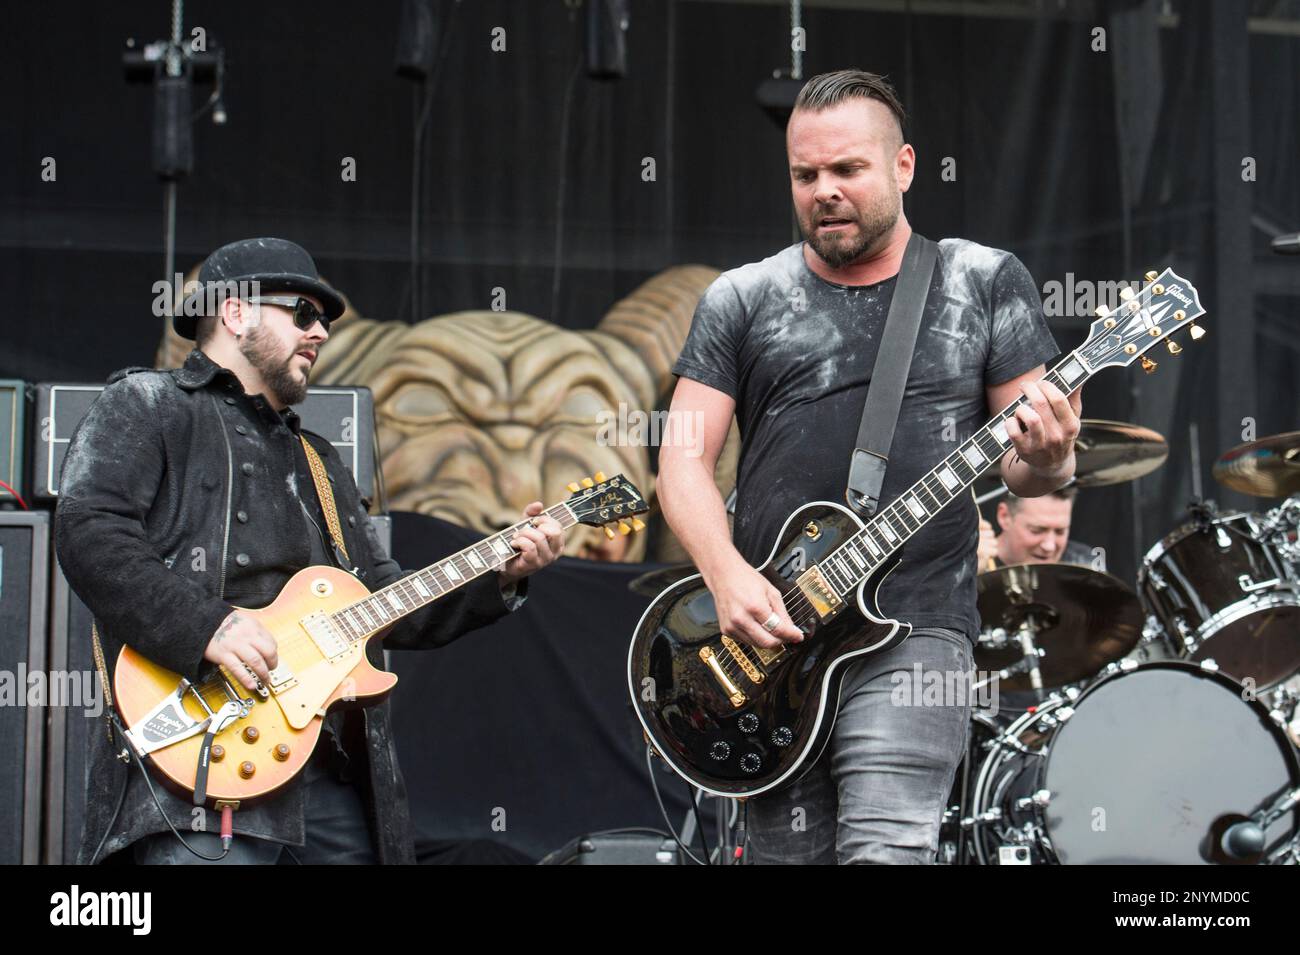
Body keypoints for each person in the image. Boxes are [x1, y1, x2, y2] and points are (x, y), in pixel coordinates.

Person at [656, 71, 1081, 864]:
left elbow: (1031, 474)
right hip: (774, 638)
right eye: (804, 175)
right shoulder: (742, 298)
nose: (824, 191)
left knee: (886, 848)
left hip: (915, 632)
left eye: (847, 169)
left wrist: (1051, 458)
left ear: (904, 167)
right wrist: (723, 574)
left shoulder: (982, 281)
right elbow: (682, 458)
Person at [55, 237, 564, 864]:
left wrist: (500, 573)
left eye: (324, 320)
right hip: (204, 753)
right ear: (236, 313)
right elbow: (90, 530)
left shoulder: (319, 461)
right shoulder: (149, 406)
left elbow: (385, 601)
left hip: (325, 769)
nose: (320, 332)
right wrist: (207, 626)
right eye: (303, 312)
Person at [976, 486, 1102, 570]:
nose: (1049, 546)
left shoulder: (1082, 561)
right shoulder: (974, 567)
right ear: (1005, 516)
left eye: (1060, 532)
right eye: (1037, 531)